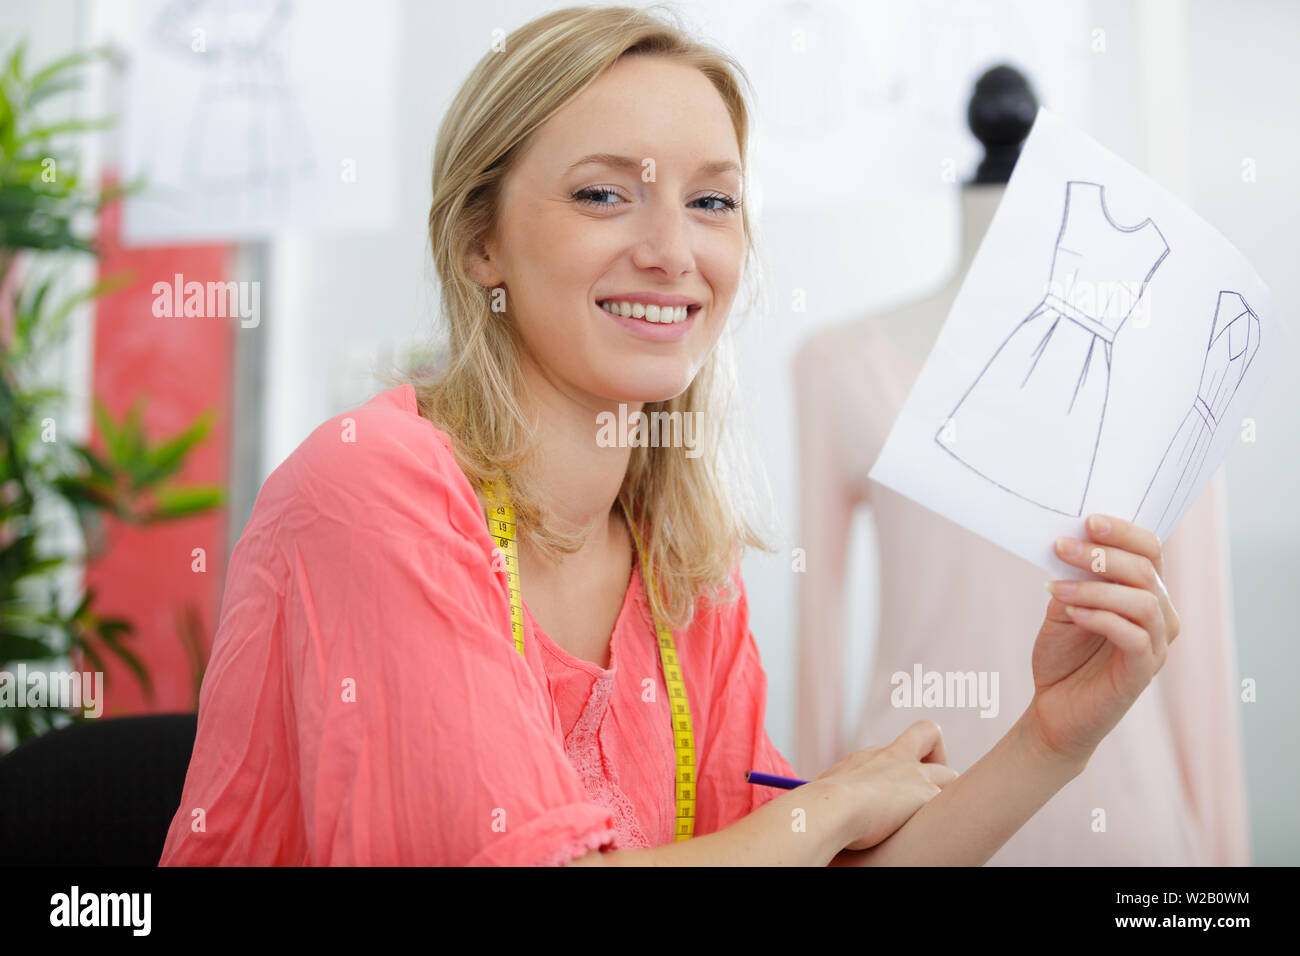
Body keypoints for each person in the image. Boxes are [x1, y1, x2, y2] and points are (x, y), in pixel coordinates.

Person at [158, 3, 1180, 867]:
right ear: (479, 241)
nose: (670, 249)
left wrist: (1051, 735)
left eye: (712, 201)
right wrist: (822, 805)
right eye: (603, 193)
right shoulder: (370, 488)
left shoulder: (681, 560)